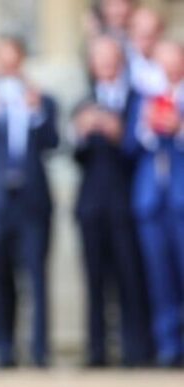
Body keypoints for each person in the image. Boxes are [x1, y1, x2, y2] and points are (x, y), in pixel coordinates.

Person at [0, 36, 59, 368]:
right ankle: (3, 349)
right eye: (1, 58)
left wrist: (36, 112)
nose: (7, 65)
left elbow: (53, 141)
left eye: (13, 58)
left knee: (36, 276)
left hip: (32, 202)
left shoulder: (41, 99)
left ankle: (39, 350)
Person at [72, 36, 153, 367]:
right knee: (94, 280)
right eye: (99, 58)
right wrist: (81, 130)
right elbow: (77, 155)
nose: (105, 64)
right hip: (91, 204)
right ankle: (97, 350)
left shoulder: (136, 100)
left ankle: (137, 350)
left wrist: (119, 132)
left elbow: (138, 149)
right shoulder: (84, 103)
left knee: (130, 278)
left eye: (111, 57)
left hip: (125, 201)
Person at [125, 40, 184, 367]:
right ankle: (168, 346)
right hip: (151, 200)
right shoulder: (145, 99)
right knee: (159, 276)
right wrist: (147, 127)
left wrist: (178, 129)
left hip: (181, 197)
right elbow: (129, 147)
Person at [127, 7, 166, 97]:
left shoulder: (174, 61)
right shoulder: (122, 62)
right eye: (141, 35)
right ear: (131, 32)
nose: (146, 42)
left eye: (150, 36)